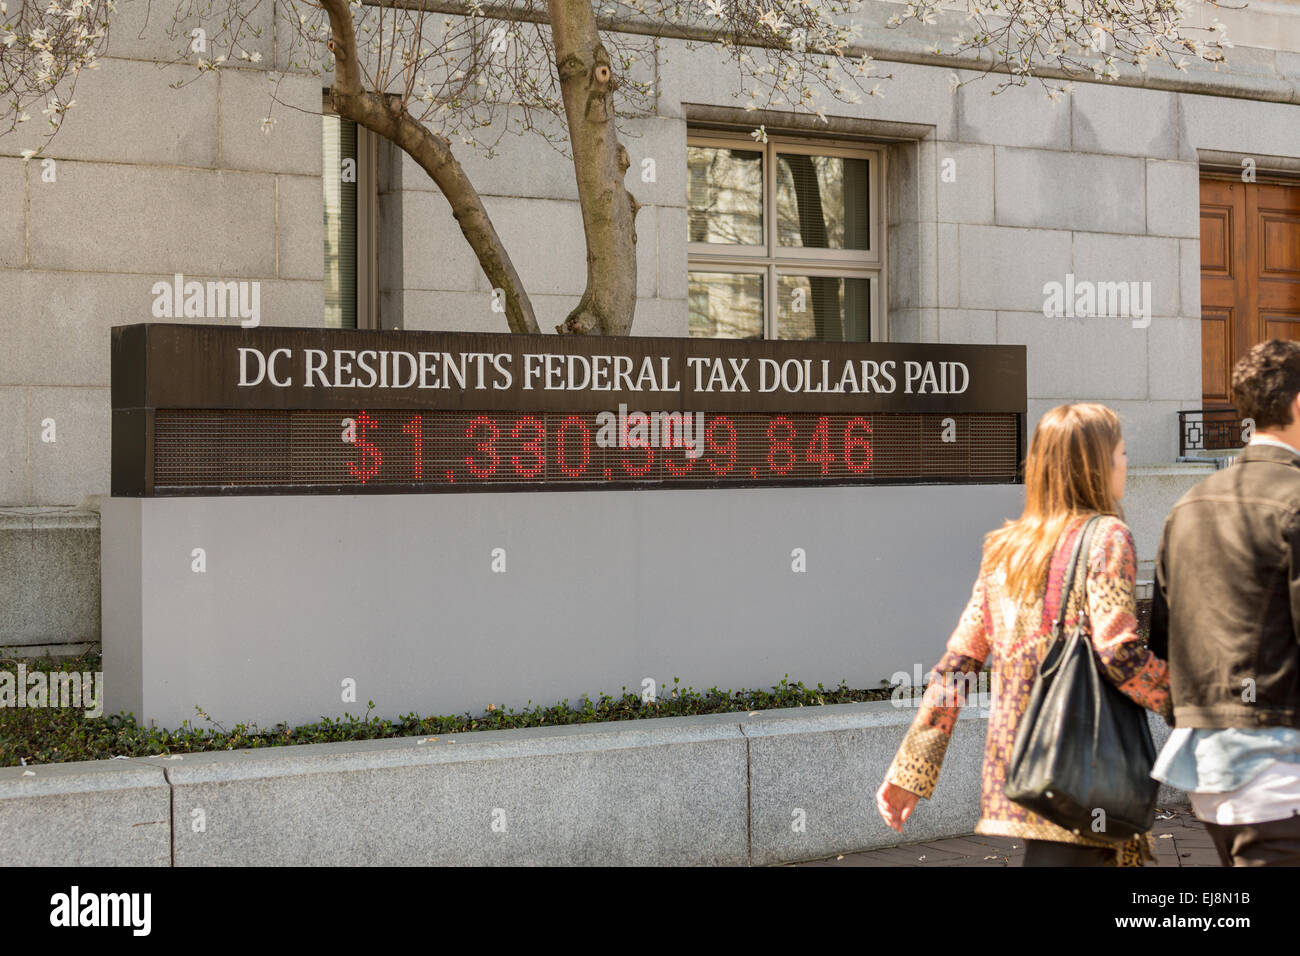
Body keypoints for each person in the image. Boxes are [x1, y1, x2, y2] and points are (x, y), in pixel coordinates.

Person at [875, 402, 1173, 866]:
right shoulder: (1108, 538)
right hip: (1089, 769)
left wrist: (912, 770)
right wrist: (1192, 703)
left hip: (1029, 776)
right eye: (1120, 452)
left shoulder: (1005, 550)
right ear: (1095, 465)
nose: (1125, 462)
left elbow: (957, 666)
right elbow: (1119, 654)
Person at [1148, 340, 1300, 866]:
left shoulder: (1187, 506)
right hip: (1279, 774)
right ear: (1299, 405)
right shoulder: (1295, 500)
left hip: (1209, 774)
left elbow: (1163, 642)